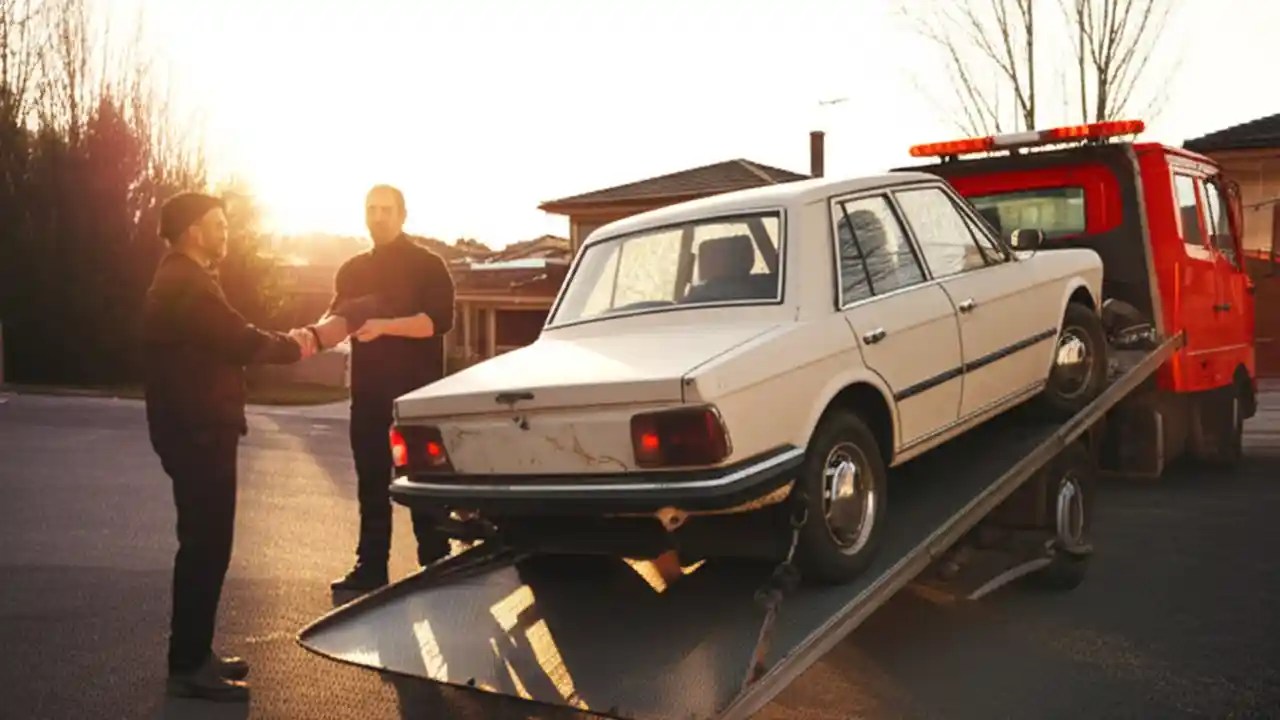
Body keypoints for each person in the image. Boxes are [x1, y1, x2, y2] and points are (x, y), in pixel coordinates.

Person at [141, 191, 318, 702]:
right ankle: (188, 665)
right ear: (193, 230)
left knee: (206, 544)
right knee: (206, 546)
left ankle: (196, 653)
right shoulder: (187, 283)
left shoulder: (185, 278)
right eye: (217, 223)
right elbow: (239, 339)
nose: (225, 231)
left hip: (196, 429)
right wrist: (303, 342)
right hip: (198, 432)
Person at [323, 184, 456, 593]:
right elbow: (338, 318)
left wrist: (384, 326)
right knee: (370, 481)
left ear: (402, 215)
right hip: (367, 395)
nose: (378, 216)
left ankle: (436, 563)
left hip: (415, 396)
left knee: (422, 483)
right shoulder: (351, 269)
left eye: (386, 209)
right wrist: (306, 338)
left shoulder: (428, 265)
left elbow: (435, 322)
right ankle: (371, 566)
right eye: (371, 209)